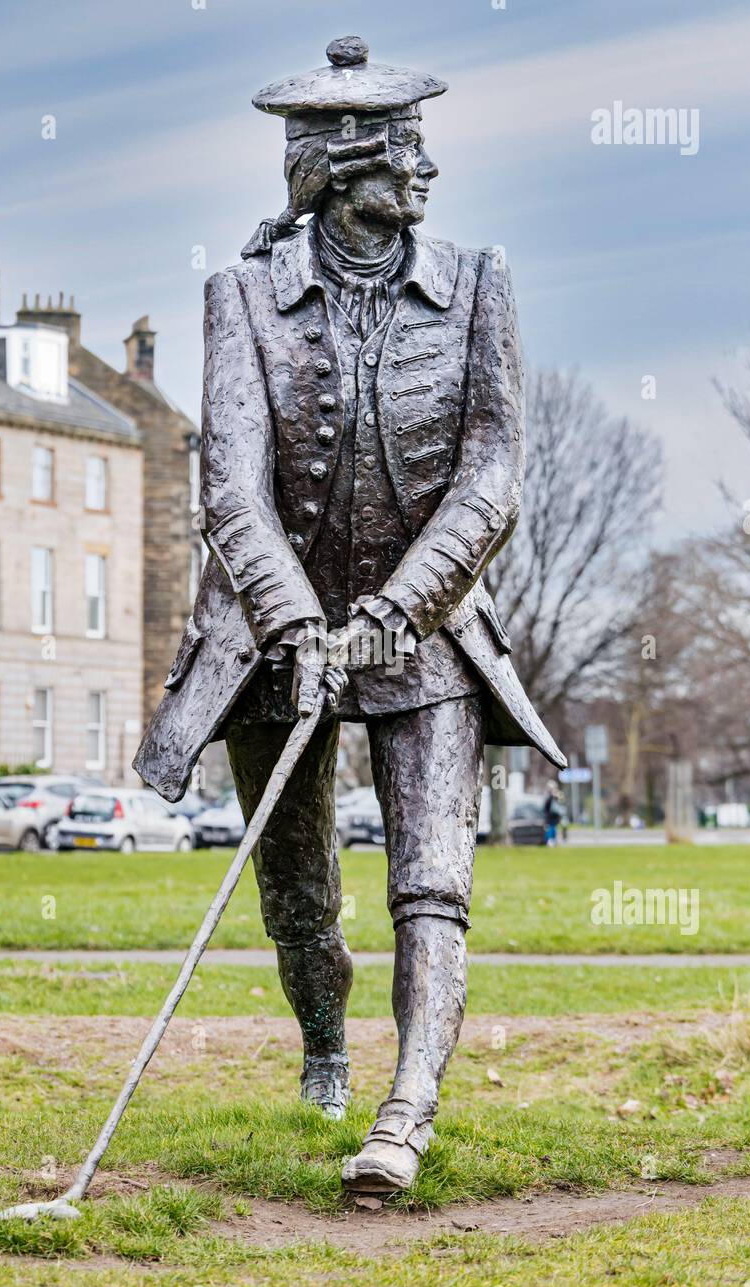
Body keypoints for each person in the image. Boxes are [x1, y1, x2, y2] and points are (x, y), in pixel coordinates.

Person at [135, 37, 565, 1194]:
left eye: (423, 149)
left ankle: (405, 1111)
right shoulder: (241, 296)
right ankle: (324, 1047)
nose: (425, 173)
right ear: (333, 165)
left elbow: (491, 473)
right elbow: (230, 482)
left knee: (432, 884)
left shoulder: (478, 282)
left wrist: (395, 607)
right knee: (299, 896)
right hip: (273, 643)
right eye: (403, 152)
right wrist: (295, 622)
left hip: (423, 639)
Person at [543, 780, 564, 846]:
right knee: (550, 830)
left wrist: (557, 796)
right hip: (550, 817)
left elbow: (561, 803)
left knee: (554, 829)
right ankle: (549, 841)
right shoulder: (549, 797)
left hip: (555, 817)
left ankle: (553, 841)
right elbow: (546, 807)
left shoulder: (557, 796)